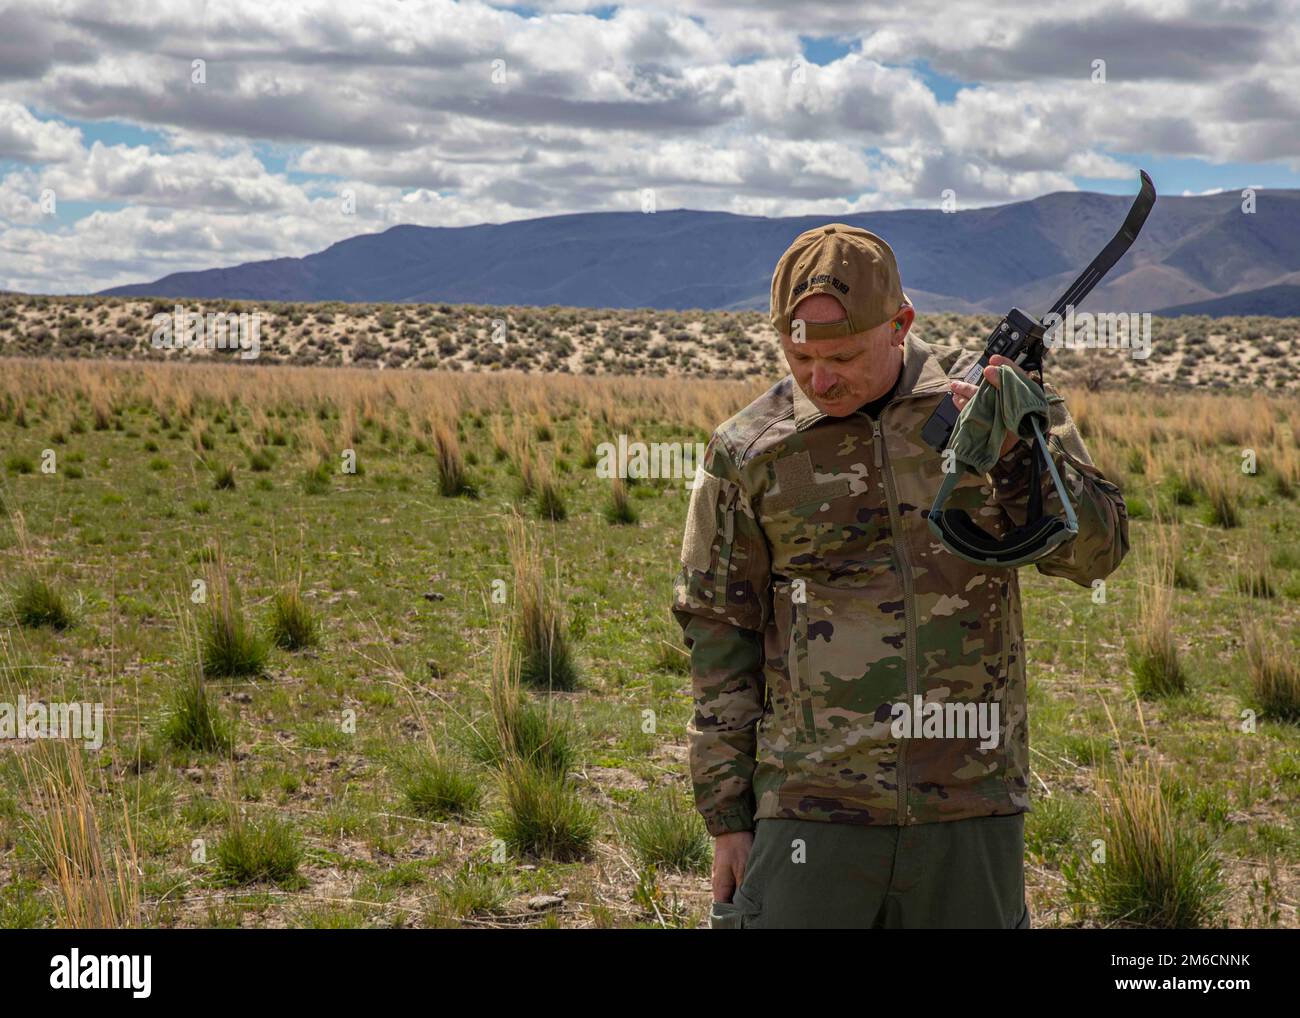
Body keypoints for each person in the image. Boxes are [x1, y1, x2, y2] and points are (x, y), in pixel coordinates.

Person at [672, 223, 1129, 929]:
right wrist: (726, 815)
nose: (821, 379)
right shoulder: (749, 452)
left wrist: (1014, 455)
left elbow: (1097, 554)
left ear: (901, 325)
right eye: (799, 357)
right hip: (810, 809)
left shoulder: (993, 409)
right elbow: (718, 632)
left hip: (970, 805)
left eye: (845, 356)